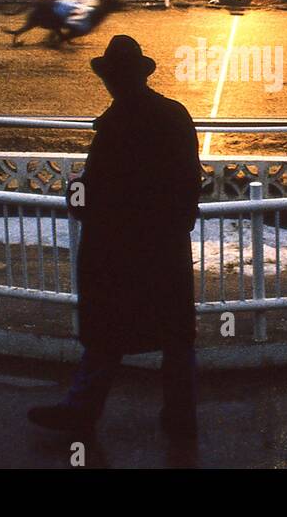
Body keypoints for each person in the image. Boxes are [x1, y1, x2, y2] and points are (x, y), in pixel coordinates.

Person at [28, 35, 202, 438]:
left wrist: (74, 190)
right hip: (164, 249)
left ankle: (81, 411)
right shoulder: (174, 115)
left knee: (107, 335)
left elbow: (89, 196)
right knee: (176, 337)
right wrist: (178, 224)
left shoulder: (114, 127)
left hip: (117, 253)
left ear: (111, 80)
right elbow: (190, 182)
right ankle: (181, 418)